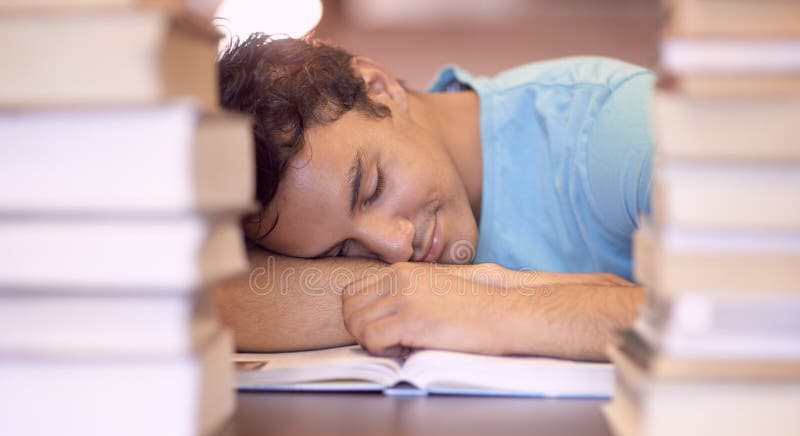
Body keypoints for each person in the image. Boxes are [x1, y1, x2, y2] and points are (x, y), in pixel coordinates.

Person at [214, 33, 655, 360]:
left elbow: (720, 313)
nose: (394, 246)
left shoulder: (617, 124)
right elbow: (212, 297)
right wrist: (462, 288)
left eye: (372, 189)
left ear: (379, 88)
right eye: (341, 251)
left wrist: (488, 308)